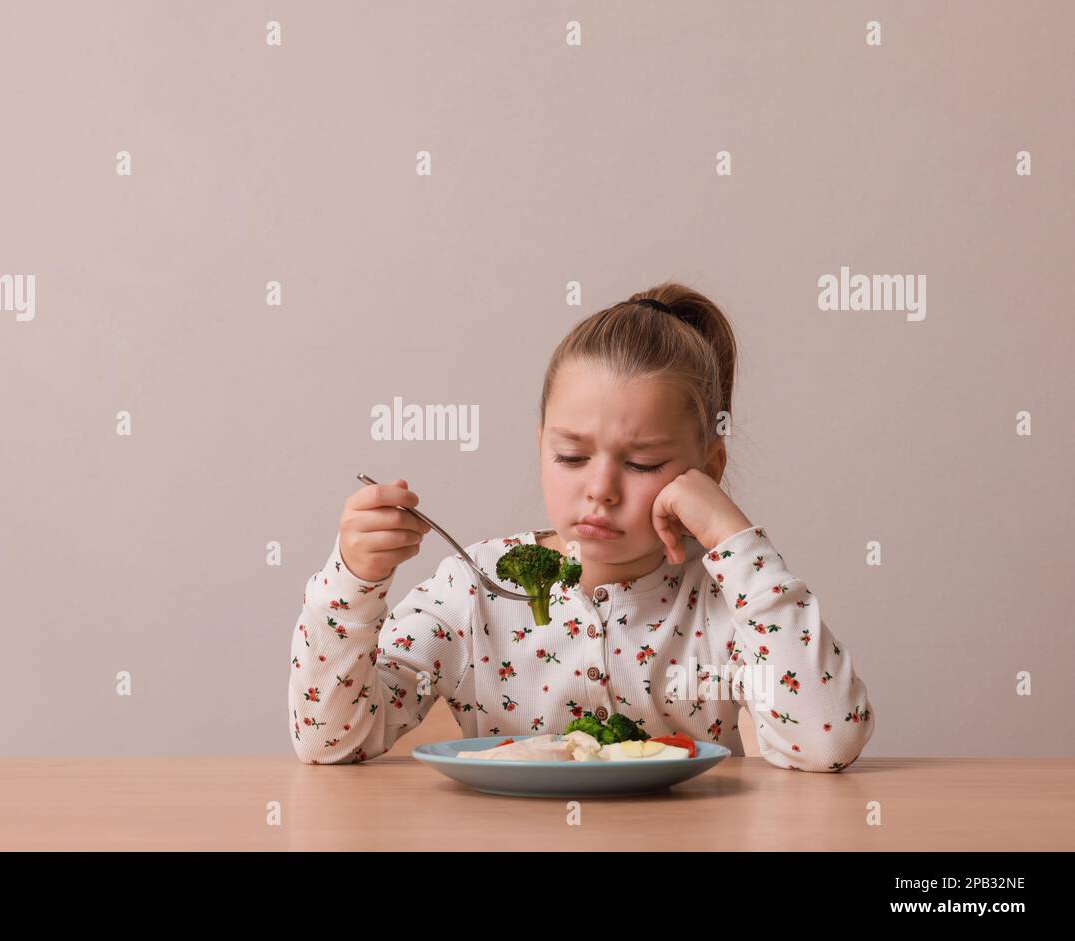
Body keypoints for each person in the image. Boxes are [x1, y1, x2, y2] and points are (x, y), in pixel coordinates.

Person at [287, 283, 874, 771]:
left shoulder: (723, 601)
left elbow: (828, 744)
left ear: (707, 471)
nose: (600, 489)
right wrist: (351, 585)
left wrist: (735, 539)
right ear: (541, 446)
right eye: (571, 457)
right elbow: (332, 741)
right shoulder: (472, 591)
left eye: (642, 464)